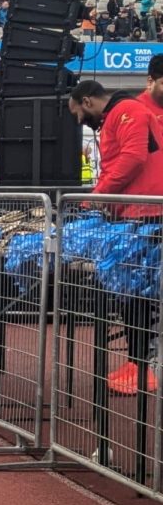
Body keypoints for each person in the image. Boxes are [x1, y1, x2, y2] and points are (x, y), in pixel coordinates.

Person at [68, 70, 163, 395]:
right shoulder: (122, 114)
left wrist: (97, 198)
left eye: (79, 113)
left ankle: (144, 363)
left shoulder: (127, 111)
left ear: (87, 101)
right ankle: (139, 361)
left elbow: (133, 158)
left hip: (148, 215)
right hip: (137, 214)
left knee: (140, 293)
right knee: (133, 292)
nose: (80, 120)